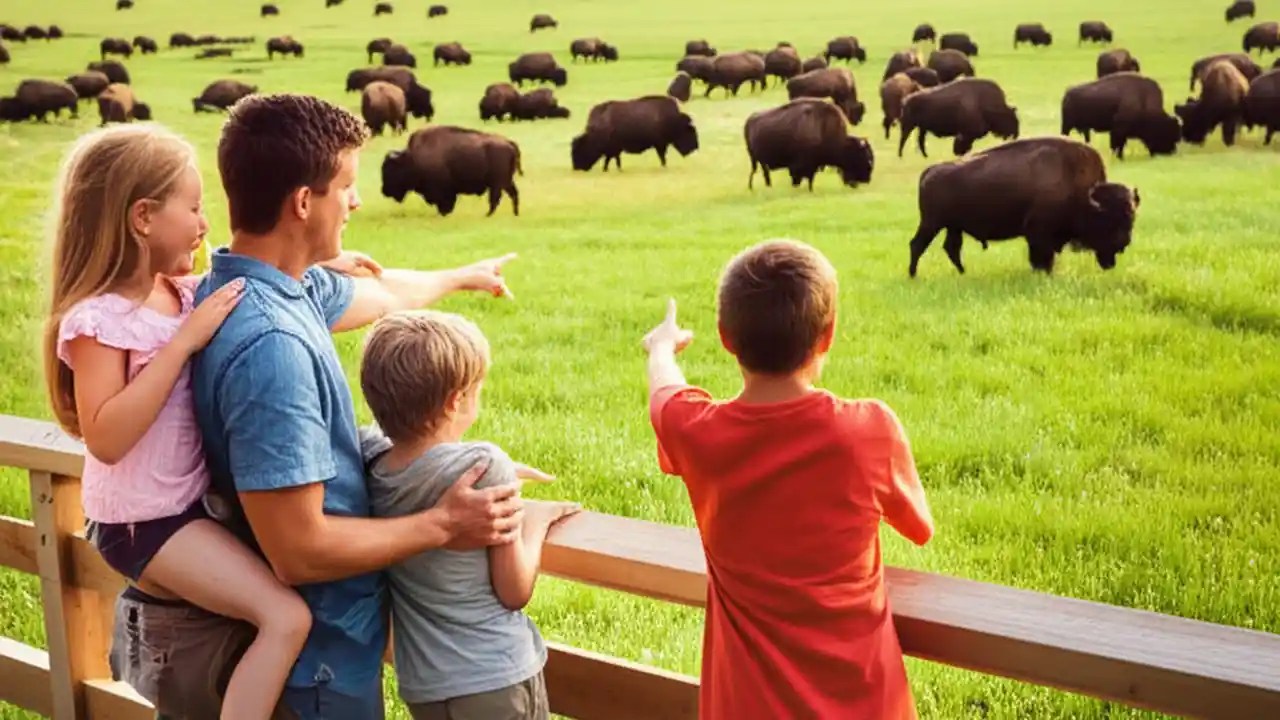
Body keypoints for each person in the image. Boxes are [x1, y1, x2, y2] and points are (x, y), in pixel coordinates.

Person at [106, 94, 533, 720]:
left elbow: (382, 293)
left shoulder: (251, 284)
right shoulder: (270, 345)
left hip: (325, 658)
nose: (356, 202)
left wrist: (463, 275)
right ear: (304, 202)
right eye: (346, 187)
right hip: (316, 675)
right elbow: (296, 549)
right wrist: (444, 523)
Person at [40, 123, 373, 719]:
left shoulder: (177, 292)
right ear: (142, 217)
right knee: (284, 615)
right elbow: (107, 437)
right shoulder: (98, 321)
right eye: (192, 208)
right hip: (144, 523)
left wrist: (322, 260)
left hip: (178, 513)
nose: (204, 224)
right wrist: (183, 345)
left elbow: (256, 274)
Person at [642, 239, 935, 719]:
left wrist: (661, 347)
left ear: (725, 336)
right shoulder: (868, 429)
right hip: (866, 702)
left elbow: (664, 394)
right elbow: (918, 528)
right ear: (828, 334)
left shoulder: (699, 433)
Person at [359, 310, 579, 720]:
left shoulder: (370, 465)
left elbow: (419, 468)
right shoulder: (484, 464)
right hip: (494, 676)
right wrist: (536, 519)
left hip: (425, 686)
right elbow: (514, 591)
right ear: (455, 401)